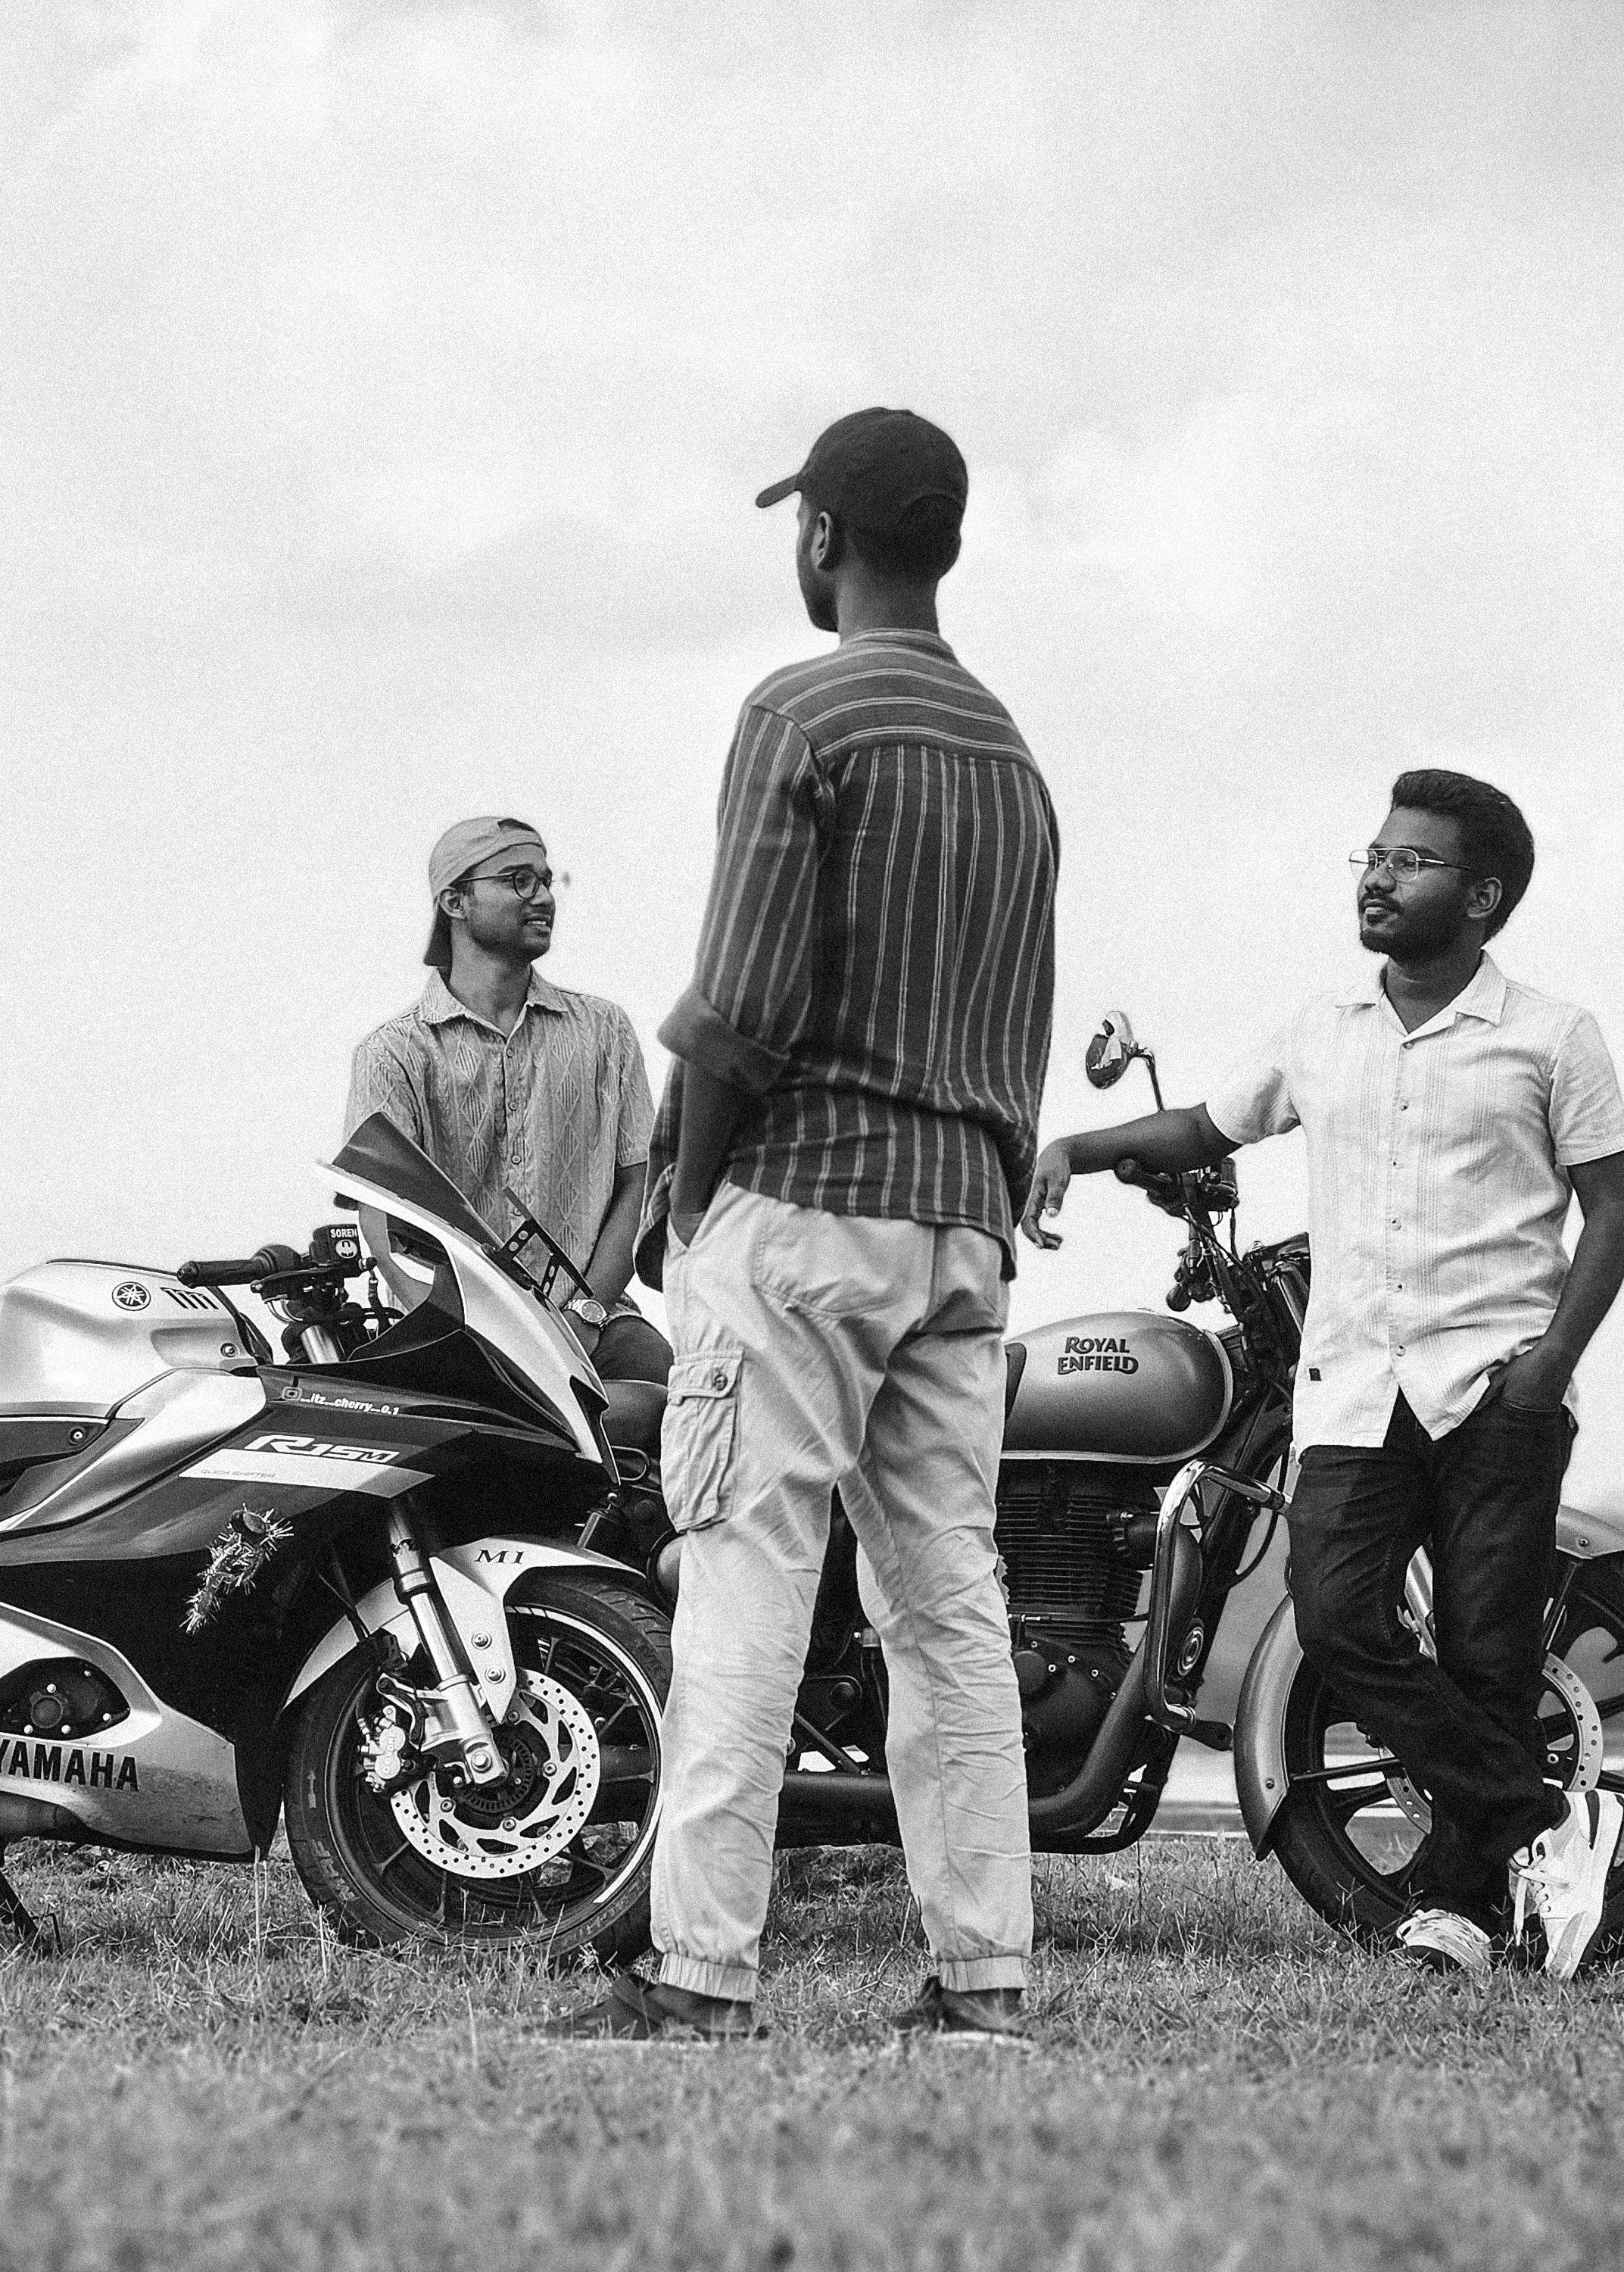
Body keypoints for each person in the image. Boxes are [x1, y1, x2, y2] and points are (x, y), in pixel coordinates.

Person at [546, 407, 1059, 2047]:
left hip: (804, 1210)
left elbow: (744, 1008)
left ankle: (699, 1970)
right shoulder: (1010, 752)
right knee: (944, 1609)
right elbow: (1020, 1019)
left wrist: (686, 1200)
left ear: (823, 538)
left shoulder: (798, 713)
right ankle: (982, 1975)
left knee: (744, 1590)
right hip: (958, 1227)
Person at [1023, 769, 1624, 1980]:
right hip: (1354, 1386)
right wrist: (1076, 1146)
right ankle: (1540, 1821)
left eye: (1412, 860)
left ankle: (1458, 1916)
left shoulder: (1553, 1037)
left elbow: (1613, 1217)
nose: (1378, 874)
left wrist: (1551, 1363)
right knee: (1344, 1618)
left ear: (1484, 894)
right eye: (1373, 854)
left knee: (1484, 1653)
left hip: (1494, 1385)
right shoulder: (1323, 1031)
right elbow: (1208, 1127)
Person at [346, 816, 667, 1384]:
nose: (543, 896)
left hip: (595, 1326)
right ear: (455, 902)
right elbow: (381, 1214)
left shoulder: (603, 1030)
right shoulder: (393, 1053)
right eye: (519, 880)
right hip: (455, 1334)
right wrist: (457, 1332)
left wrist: (586, 1313)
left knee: (663, 1394)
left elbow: (637, 1180)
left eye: (546, 880)